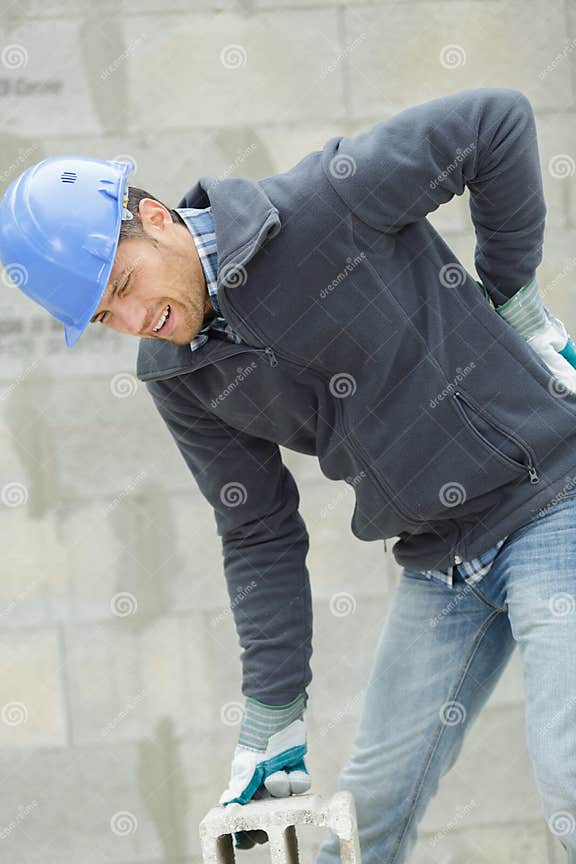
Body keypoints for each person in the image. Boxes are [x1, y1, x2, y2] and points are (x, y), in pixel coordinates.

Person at [2, 87, 576, 861]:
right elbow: (257, 529)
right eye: (107, 316)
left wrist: (515, 298)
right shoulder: (178, 375)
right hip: (442, 560)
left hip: (551, 500)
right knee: (363, 824)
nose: (135, 322)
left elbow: (493, 123)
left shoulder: (323, 204)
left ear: (158, 219)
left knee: (569, 777)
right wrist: (273, 713)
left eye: (125, 286)